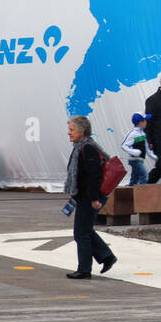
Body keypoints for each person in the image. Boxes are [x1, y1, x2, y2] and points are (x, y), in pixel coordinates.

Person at [65, 115, 117, 280]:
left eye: (72, 129)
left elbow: (94, 176)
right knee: (84, 231)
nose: (69, 133)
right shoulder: (81, 147)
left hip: (90, 197)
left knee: (81, 233)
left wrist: (95, 199)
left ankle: (85, 269)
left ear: (82, 131)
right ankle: (106, 256)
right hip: (84, 196)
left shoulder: (87, 148)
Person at [120, 112, 151, 187]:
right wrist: (133, 152)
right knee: (144, 176)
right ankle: (141, 196)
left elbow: (144, 145)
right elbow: (124, 145)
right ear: (140, 123)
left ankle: (130, 195)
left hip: (139, 159)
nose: (146, 122)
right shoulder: (133, 133)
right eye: (145, 120)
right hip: (134, 160)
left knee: (134, 179)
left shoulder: (142, 134)